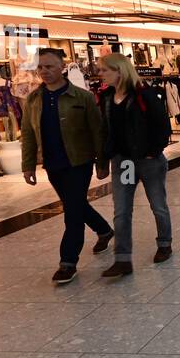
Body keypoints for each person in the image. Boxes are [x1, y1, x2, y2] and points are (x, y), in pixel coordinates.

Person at [20, 47, 112, 284]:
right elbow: (28, 134)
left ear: (62, 67)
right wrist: (28, 164)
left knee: (71, 213)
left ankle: (67, 261)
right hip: (52, 164)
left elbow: (97, 131)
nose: (44, 71)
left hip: (78, 162)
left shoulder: (82, 97)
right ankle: (104, 230)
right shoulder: (33, 100)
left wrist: (102, 162)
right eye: (40, 67)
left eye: (49, 66)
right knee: (76, 205)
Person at [96, 53, 173, 277]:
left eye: (104, 70)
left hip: (147, 161)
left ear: (119, 70)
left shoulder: (144, 94)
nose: (100, 74)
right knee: (121, 210)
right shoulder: (107, 97)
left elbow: (162, 124)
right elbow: (104, 130)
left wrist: (153, 151)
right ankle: (122, 259)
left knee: (157, 204)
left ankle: (165, 243)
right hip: (123, 162)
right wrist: (102, 159)